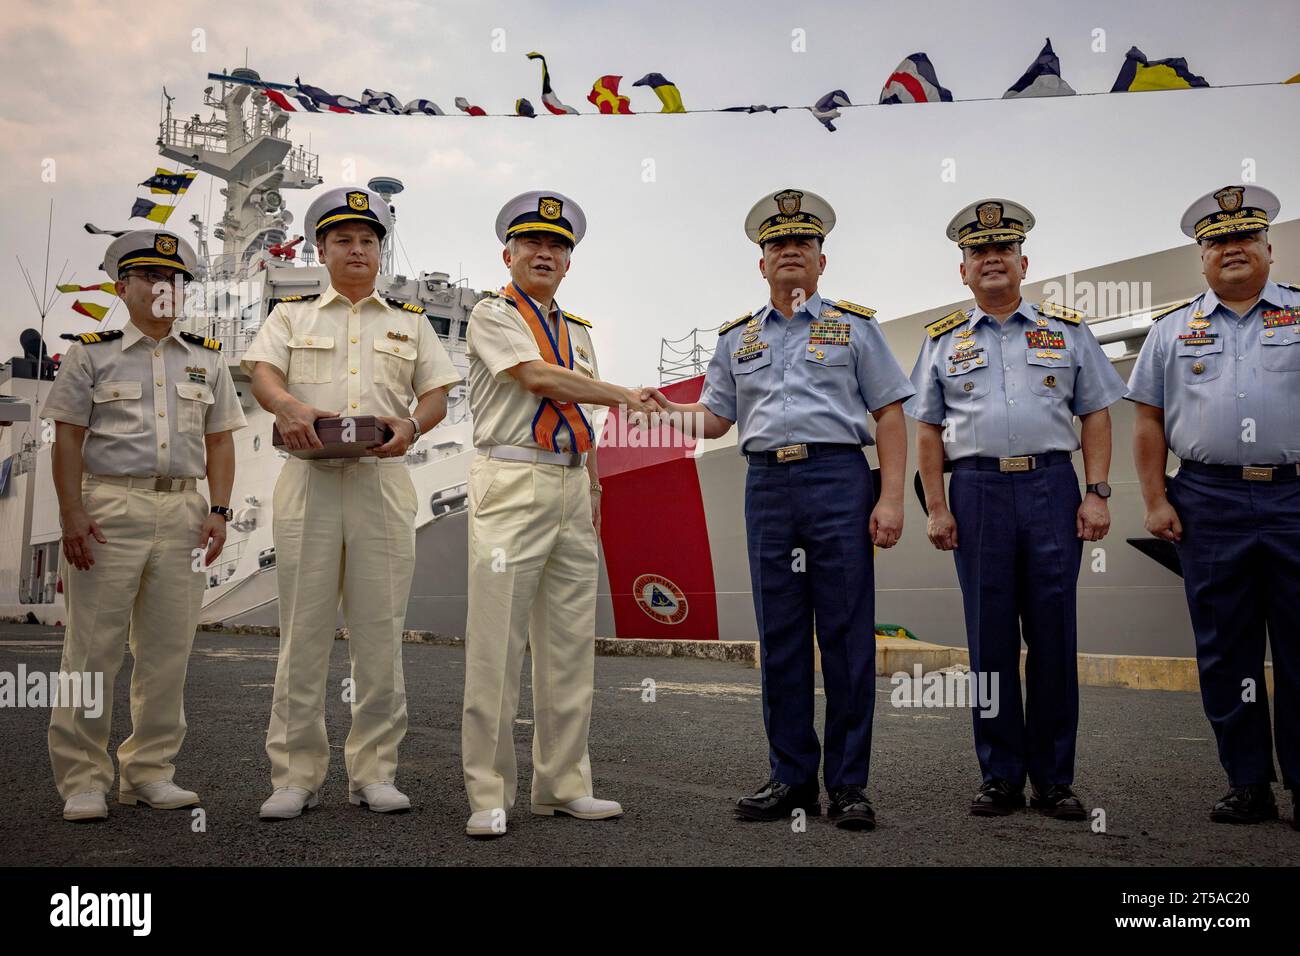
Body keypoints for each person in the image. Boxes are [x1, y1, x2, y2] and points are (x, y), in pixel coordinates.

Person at [647, 187, 913, 830]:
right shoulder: (736, 339)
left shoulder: (856, 327)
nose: (789, 250)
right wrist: (661, 409)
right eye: (776, 244)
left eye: (802, 241)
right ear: (761, 264)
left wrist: (892, 497)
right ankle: (791, 777)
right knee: (782, 636)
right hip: (767, 485)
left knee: (847, 635)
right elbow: (714, 420)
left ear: (822, 259)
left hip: (838, 479)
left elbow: (890, 414)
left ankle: (849, 785)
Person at [243, 186, 460, 819]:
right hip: (308, 481)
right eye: (343, 240)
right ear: (322, 249)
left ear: (379, 250)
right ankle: (294, 775)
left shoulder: (410, 321)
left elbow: (437, 395)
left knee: (380, 634)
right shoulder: (290, 316)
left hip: (382, 482)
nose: (356, 249)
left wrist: (412, 428)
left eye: (367, 240)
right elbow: (263, 375)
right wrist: (289, 408)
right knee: (303, 634)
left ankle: (375, 772)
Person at [905, 199, 1125, 819]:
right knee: (989, 640)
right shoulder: (942, 341)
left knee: (1054, 636)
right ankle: (1000, 774)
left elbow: (1096, 413)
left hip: (1052, 487)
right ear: (964, 272)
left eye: (1002, 249)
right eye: (979, 252)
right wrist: (937, 508)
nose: (991, 259)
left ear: (1023, 262)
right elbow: (926, 429)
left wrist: (1097, 490)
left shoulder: (1069, 331)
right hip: (975, 494)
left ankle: (1054, 778)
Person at [461, 190, 653, 838]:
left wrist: (592, 498)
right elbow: (539, 379)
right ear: (508, 254)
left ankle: (564, 784)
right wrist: (624, 393)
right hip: (512, 480)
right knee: (496, 646)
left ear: (569, 262)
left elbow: (583, 422)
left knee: (570, 647)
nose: (545, 253)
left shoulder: (580, 333)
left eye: (558, 246)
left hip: (571, 486)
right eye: (533, 244)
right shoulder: (493, 314)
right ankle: (488, 793)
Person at [40, 229, 246, 821]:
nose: (164, 287)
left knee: (167, 651)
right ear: (121, 286)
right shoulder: (91, 354)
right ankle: (83, 779)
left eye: (175, 279)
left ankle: (150, 772)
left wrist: (219, 508)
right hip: (108, 509)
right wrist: (72, 511)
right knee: (92, 650)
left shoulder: (206, 358)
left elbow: (220, 441)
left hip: (183, 511)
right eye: (152, 277)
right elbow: (69, 439)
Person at [1126, 184, 1300, 828]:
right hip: (1208, 497)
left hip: (1294, 495)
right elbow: (1147, 421)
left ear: (1268, 249)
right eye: (1217, 241)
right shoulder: (1172, 331)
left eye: (1244, 237)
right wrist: (1154, 499)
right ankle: (1248, 782)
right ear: (1201, 258)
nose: (1231, 248)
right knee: (1226, 648)